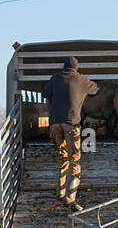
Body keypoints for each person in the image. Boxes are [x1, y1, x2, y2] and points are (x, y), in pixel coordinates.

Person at [41, 57, 98, 212]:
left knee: (62, 156)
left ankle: (60, 192)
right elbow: (95, 90)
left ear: (64, 67)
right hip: (71, 124)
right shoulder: (81, 79)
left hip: (54, 124)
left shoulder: (55, 78)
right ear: (76, 68)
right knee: (74, 159)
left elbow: (45, 93)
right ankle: (70, 198)